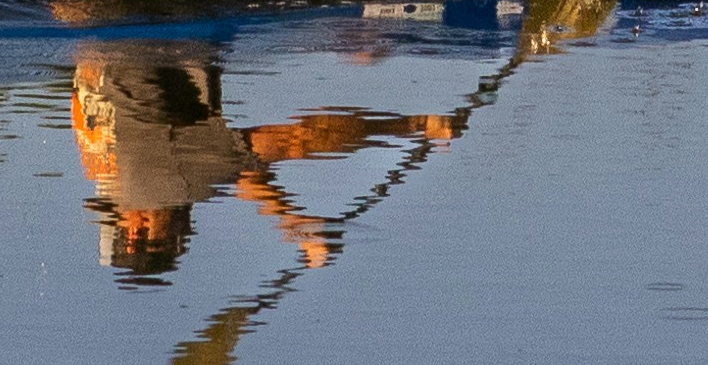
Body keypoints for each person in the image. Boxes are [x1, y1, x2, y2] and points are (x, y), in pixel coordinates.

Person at [61, 42, 457, 278]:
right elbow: (233, 172)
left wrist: (412, 126)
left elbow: (293, 142)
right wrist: (287, 218)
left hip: (159, 33)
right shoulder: (100, 167)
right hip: (100, 41)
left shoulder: (163, 184)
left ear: (142, 231)